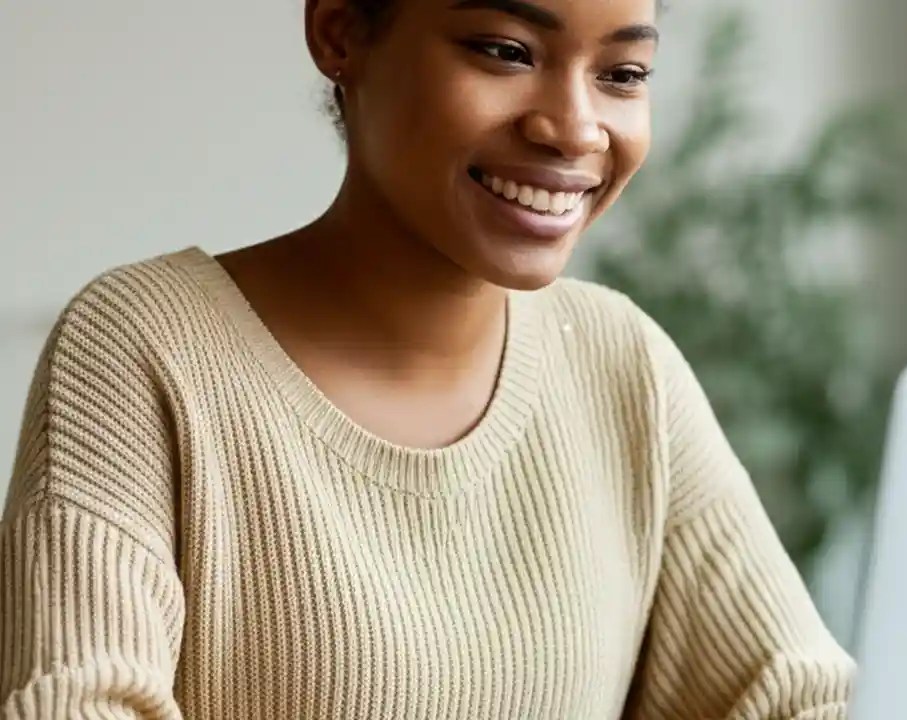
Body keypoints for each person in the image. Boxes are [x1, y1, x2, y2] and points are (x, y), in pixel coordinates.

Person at [0, 0, 855, 716]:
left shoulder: (620, 361)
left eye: (622, 75)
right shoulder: (145, 347)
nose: (574, 129)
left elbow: (788, 693)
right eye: (506, 51)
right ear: (340, 33)